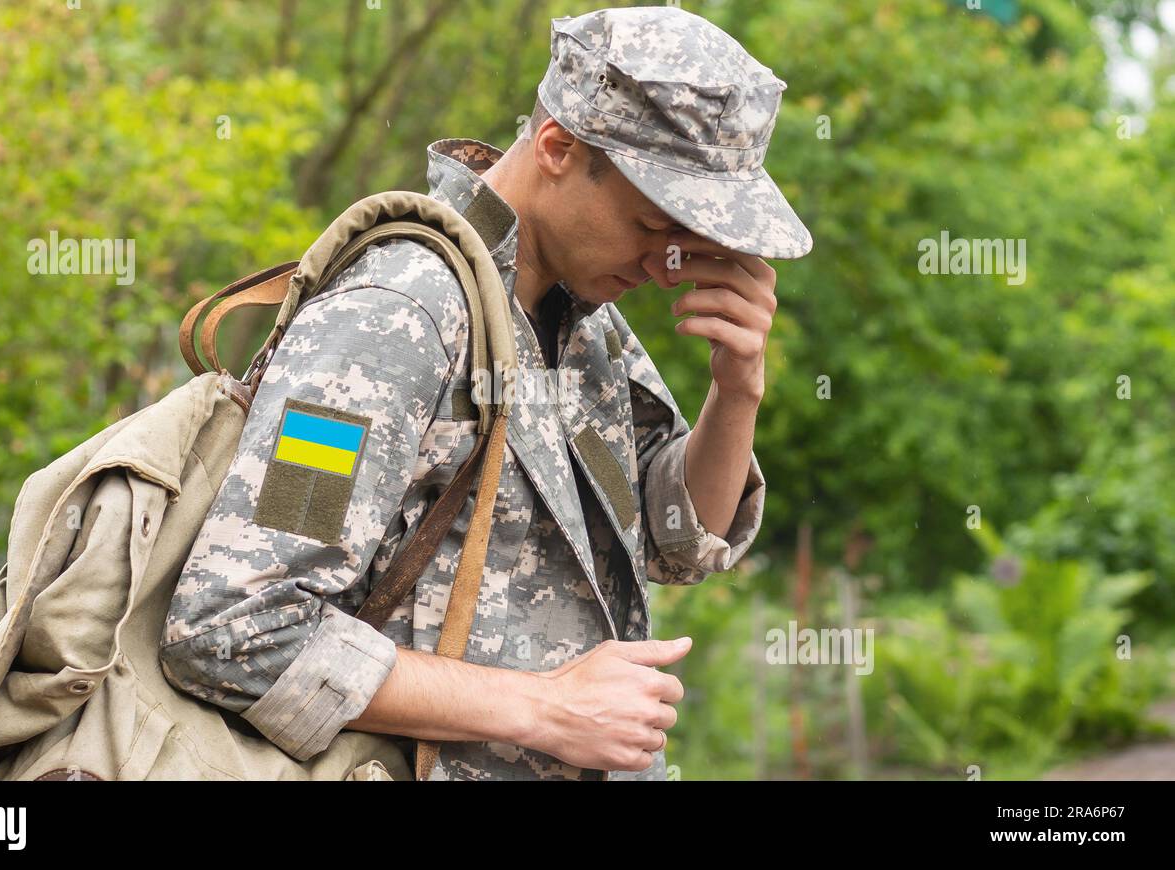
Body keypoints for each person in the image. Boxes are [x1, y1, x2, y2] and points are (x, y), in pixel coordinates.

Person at [160, 5, 812, 781]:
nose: (668, 265)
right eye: (650, 224)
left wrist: (735, 393)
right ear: (558, 148)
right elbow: (235, 627)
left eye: (691, 239)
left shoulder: (576, 315)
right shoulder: (394, 317)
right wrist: (548, 708)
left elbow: (675, 539)